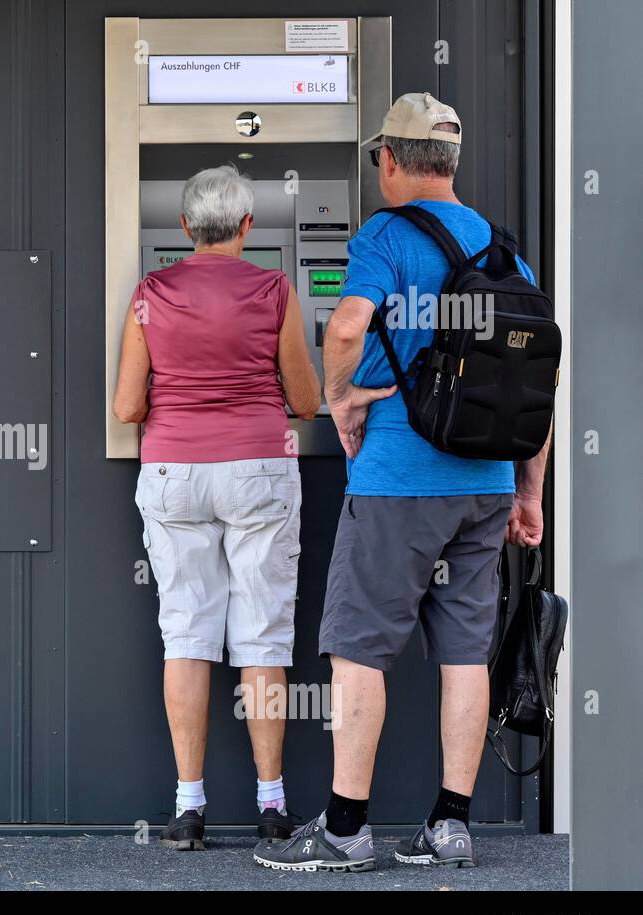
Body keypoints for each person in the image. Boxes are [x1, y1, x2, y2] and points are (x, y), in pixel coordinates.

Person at [255, 93, 551, 872]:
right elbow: (537, 383)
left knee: (358, 652)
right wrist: (530, 492)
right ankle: (449, 826)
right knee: (463, 655)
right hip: (485, 484)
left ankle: (346, 830)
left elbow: (347, 325)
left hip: (397, 481)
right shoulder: (503, 250)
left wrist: (342, 397)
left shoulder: (385, 236)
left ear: (390, 160)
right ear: (450, 163)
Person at [114, 164, 322, 849]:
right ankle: (271, 804)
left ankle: (188, 806)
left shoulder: (150, 292)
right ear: (246, 228)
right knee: (262, 636)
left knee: (187, 632)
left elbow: (126, 406)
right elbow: (304, 399)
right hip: (258, 469)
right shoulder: (275, 288)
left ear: (182, 229)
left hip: (175, 469)